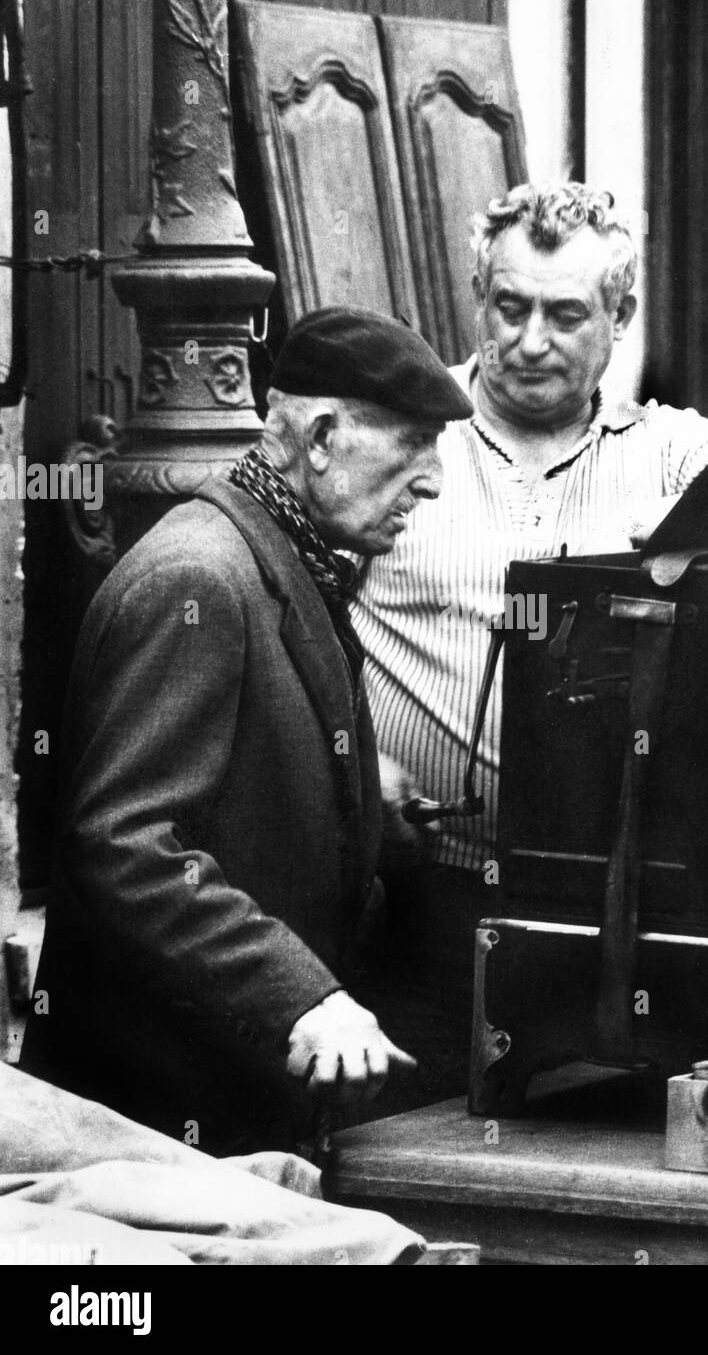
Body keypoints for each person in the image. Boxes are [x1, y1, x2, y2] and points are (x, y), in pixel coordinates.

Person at [21, 307, 474, 1156]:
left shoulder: (278, 556)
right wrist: (300, 997)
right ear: (324, 437)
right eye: (413, 444)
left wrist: (364, 815)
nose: (434, 480)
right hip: (155, 1125)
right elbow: (124, 845)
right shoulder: (200, 577)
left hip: (229, 1108)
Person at [353, 182, 708, 1104]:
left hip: (614, 910)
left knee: (591, 1159)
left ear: (620, 316)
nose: (529, 342)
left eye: (566, 315)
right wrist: (354, 766)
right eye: (508, 307)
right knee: (409, 1148)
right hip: (421, 899)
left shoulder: (678, 458)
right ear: (477, 298)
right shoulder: (393, 438)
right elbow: (293, 624)